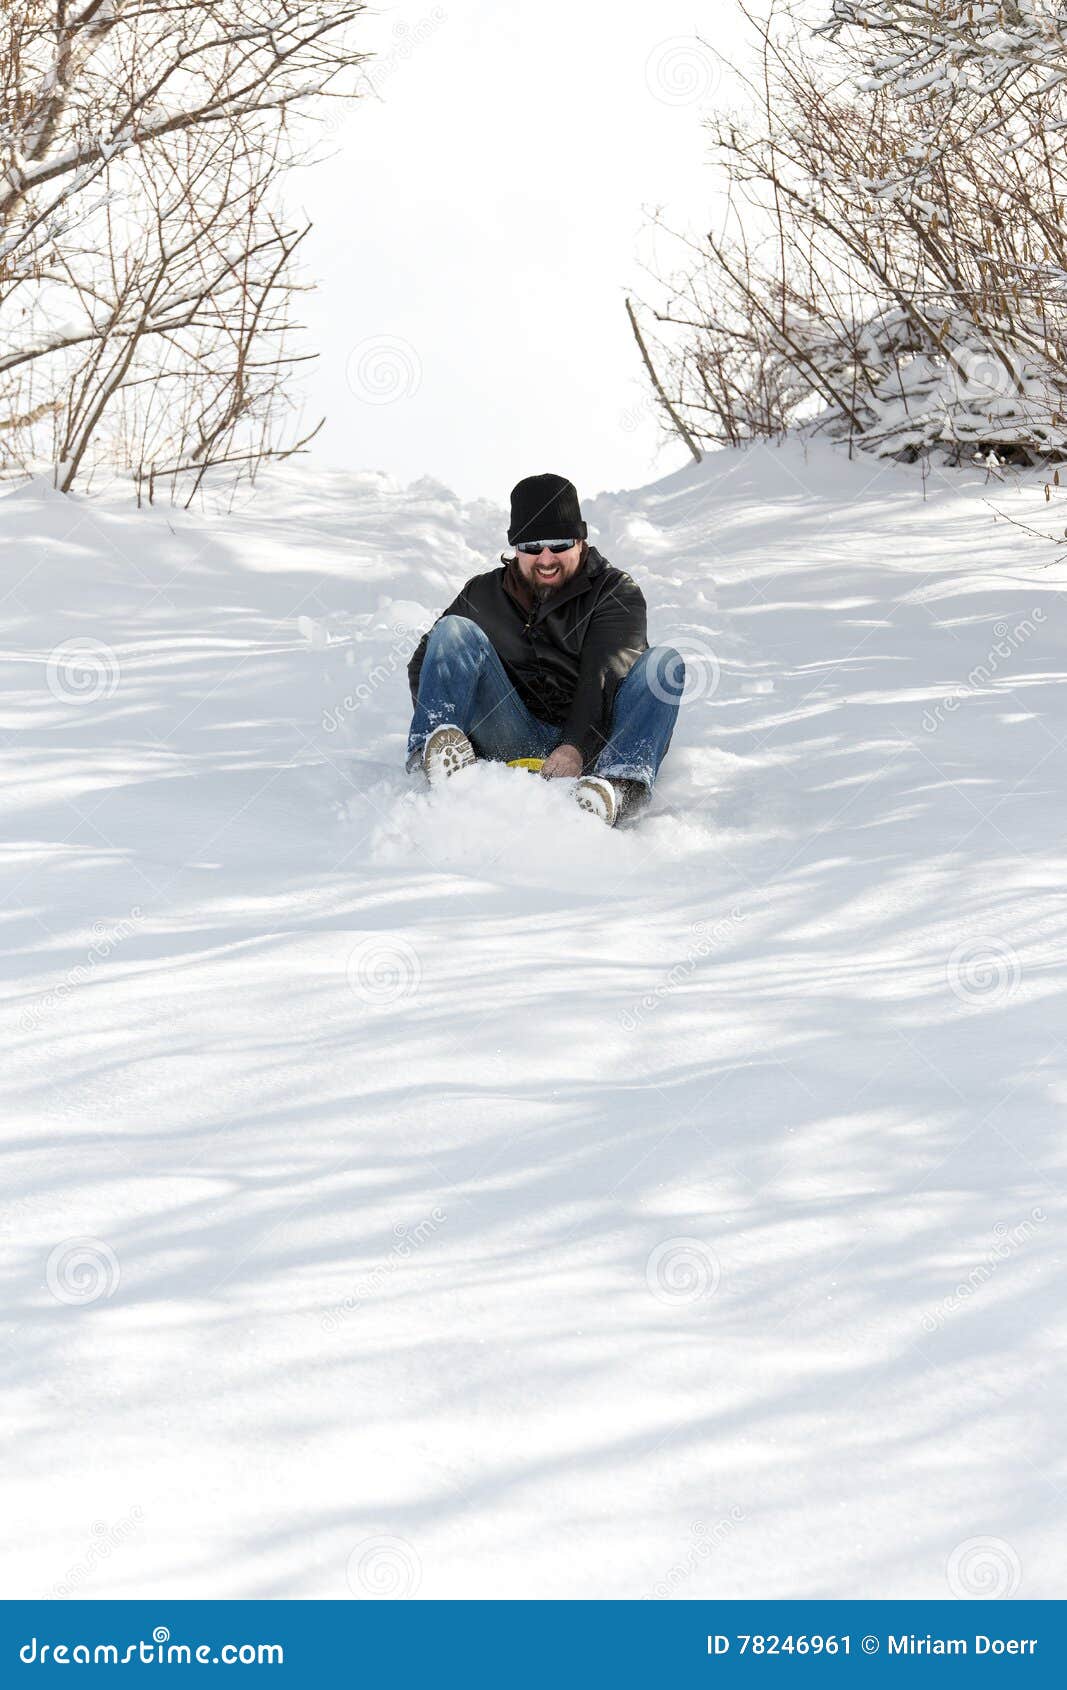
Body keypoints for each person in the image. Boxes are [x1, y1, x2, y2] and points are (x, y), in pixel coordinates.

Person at [406, 472, 684, 826]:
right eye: (533, 547)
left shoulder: (615, 592)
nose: (546, 558)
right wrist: (462, 736)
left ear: (581, 541)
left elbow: (603, 676)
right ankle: (437, 763)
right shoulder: (483, 594)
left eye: (559, 544)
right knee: (452, 633)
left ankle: (617, 789)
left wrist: (574, 747)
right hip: (510, 734)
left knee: (663, 664)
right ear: (516, 549)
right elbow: (425, 663)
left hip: (594, 746)